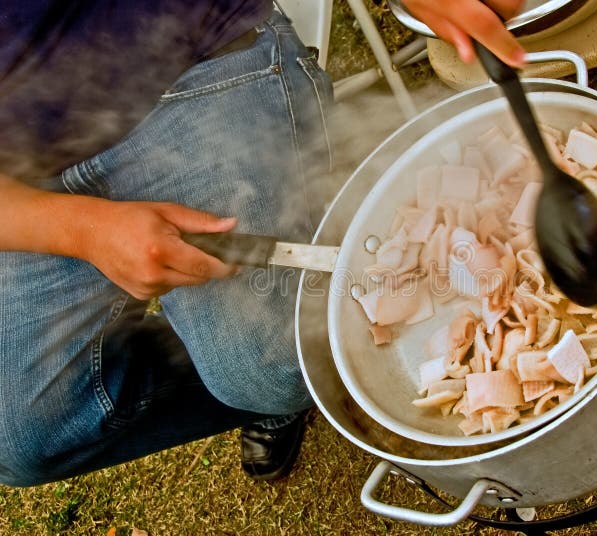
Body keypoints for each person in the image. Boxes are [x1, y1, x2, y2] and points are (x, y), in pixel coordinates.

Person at [0, 0, 525, 487]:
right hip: (24, 178)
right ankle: (266, 362)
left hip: (190, 64)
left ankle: (268, 374)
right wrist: (81, 230)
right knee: (19, 443)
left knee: (266, 371)